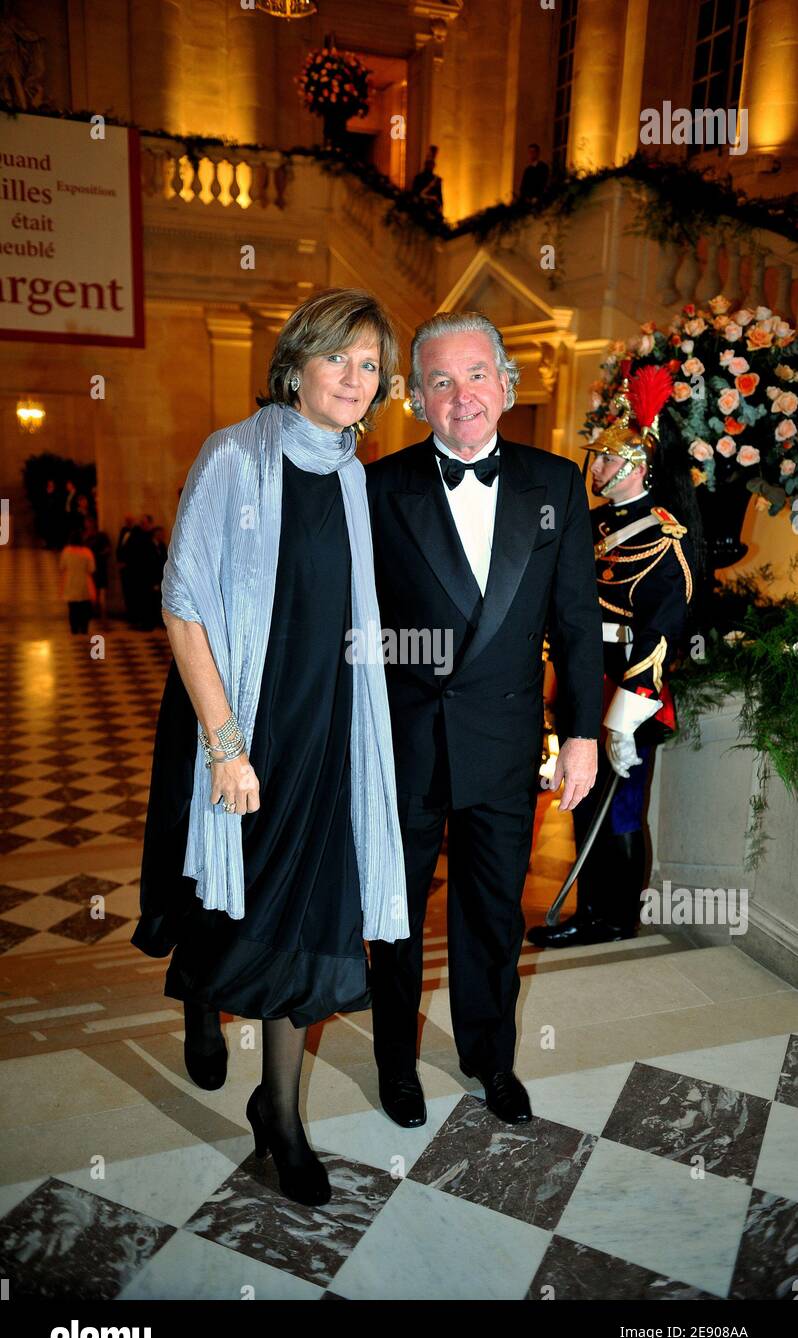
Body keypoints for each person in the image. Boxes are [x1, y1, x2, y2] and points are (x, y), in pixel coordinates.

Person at [131, 288, 409, 1208]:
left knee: (312, 927)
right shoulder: (235, 457)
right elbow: (184, 606)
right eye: (341, 357)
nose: (356, 378)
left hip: (325, 737)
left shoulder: (355, 475)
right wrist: (224, 745)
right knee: (226, 906)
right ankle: (201, 1001)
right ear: (297, 363)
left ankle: (278, 1113)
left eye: (371, 365)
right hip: (243, 733)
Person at [366, 310, 603, 1130]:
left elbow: (575, 620)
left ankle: (488, 1059)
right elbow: (353, 631)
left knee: (493, 913)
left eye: (475, 375)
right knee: (393, 915)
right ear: (417, 400)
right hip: (407, 742)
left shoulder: (557, 483)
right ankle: (395, 1062)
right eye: (440, 380)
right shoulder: (378, 488)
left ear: (506, 384)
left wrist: (581, 733)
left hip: (505, 743)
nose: (460, 395)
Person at [532, 366, 701, 949]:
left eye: (606, 461)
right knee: (585, 808)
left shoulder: (664, 540)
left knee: (619, 812)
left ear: (636, 468)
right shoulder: (595, 522)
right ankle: (590, 908)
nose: (595, 469)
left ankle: (613, 919)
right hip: (584, 684)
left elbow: (658, 638)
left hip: (628, 695)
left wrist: (624, 720)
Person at [57, 521, 96, 634]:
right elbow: (92, 569)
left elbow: (62, 567)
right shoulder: (87, 552)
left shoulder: (66, 551)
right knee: (84, 607)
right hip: (84, 583)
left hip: (70, 582)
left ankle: (74, 628)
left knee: (73, 608)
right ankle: (84, 628)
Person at [410, 144, 443, 215]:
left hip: (433, 209)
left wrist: (440, 209)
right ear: (425, 164)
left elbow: (439, 197)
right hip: (421, 209)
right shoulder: (418, 178)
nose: (430, 166)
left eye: (432, 164)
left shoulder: (437, 180)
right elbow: (415, 194)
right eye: (429, 164)